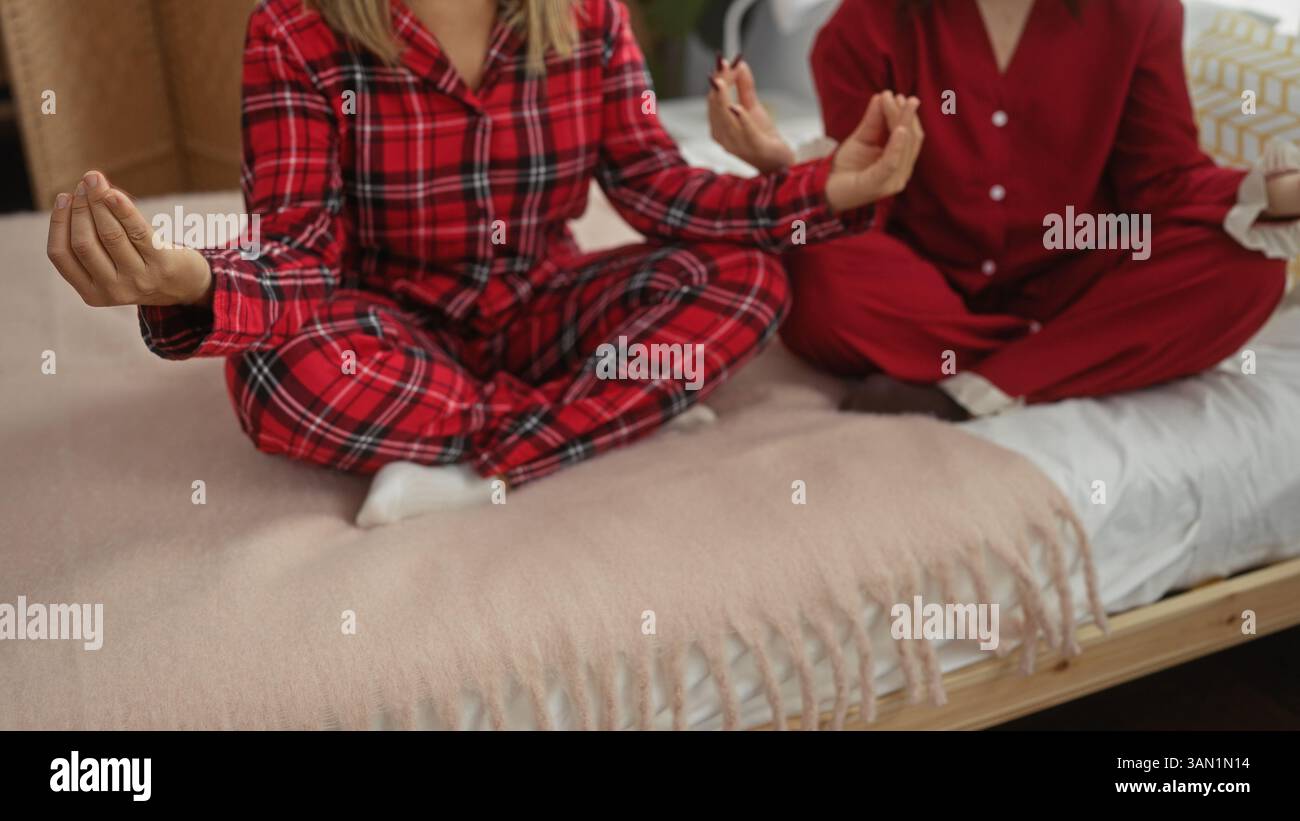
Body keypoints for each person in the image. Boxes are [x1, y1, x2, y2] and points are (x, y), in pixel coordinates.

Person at [45, 0, 923, 525]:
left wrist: (821, 189)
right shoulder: (294, 29)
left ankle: (479, 461)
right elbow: (298, 255)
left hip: (541, 307)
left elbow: (658, 187)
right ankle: (602, 420)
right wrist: (191, 281)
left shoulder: (588, 15)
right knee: (274, 370)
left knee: (748, 278)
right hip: (391, 334)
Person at [708, 0, 1300, 419]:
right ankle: (1058, 357)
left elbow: (1164, 182)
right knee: (813, 265)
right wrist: (783, 170)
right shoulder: (865, 24)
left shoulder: (1139, 11)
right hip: (923, 284)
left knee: (1249, 269)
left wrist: (1276, 196)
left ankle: (964, 387)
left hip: (1079, 273)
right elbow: (866, 200)